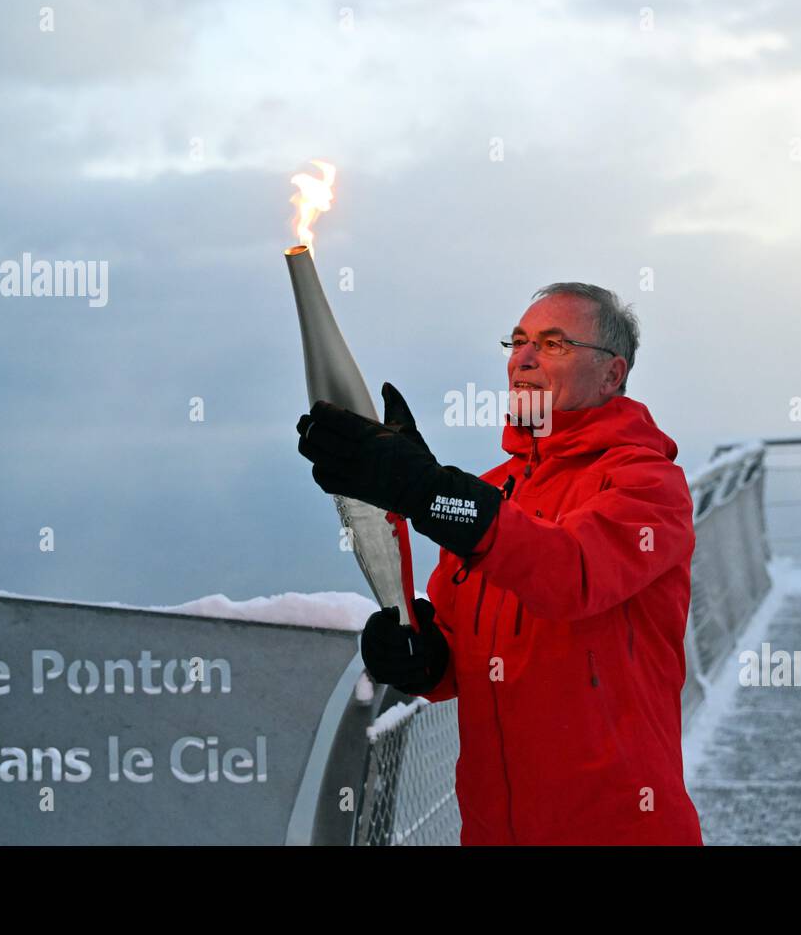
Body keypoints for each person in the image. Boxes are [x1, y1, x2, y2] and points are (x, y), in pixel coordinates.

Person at [296, 282, 702, 845]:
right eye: (517, 342)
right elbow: (468, 657)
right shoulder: (494, 491)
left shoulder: (648, 484)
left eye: (554, 343)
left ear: (612, 374)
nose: (526, 358)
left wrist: (428, 491)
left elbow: (569, 573)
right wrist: (422, 657)